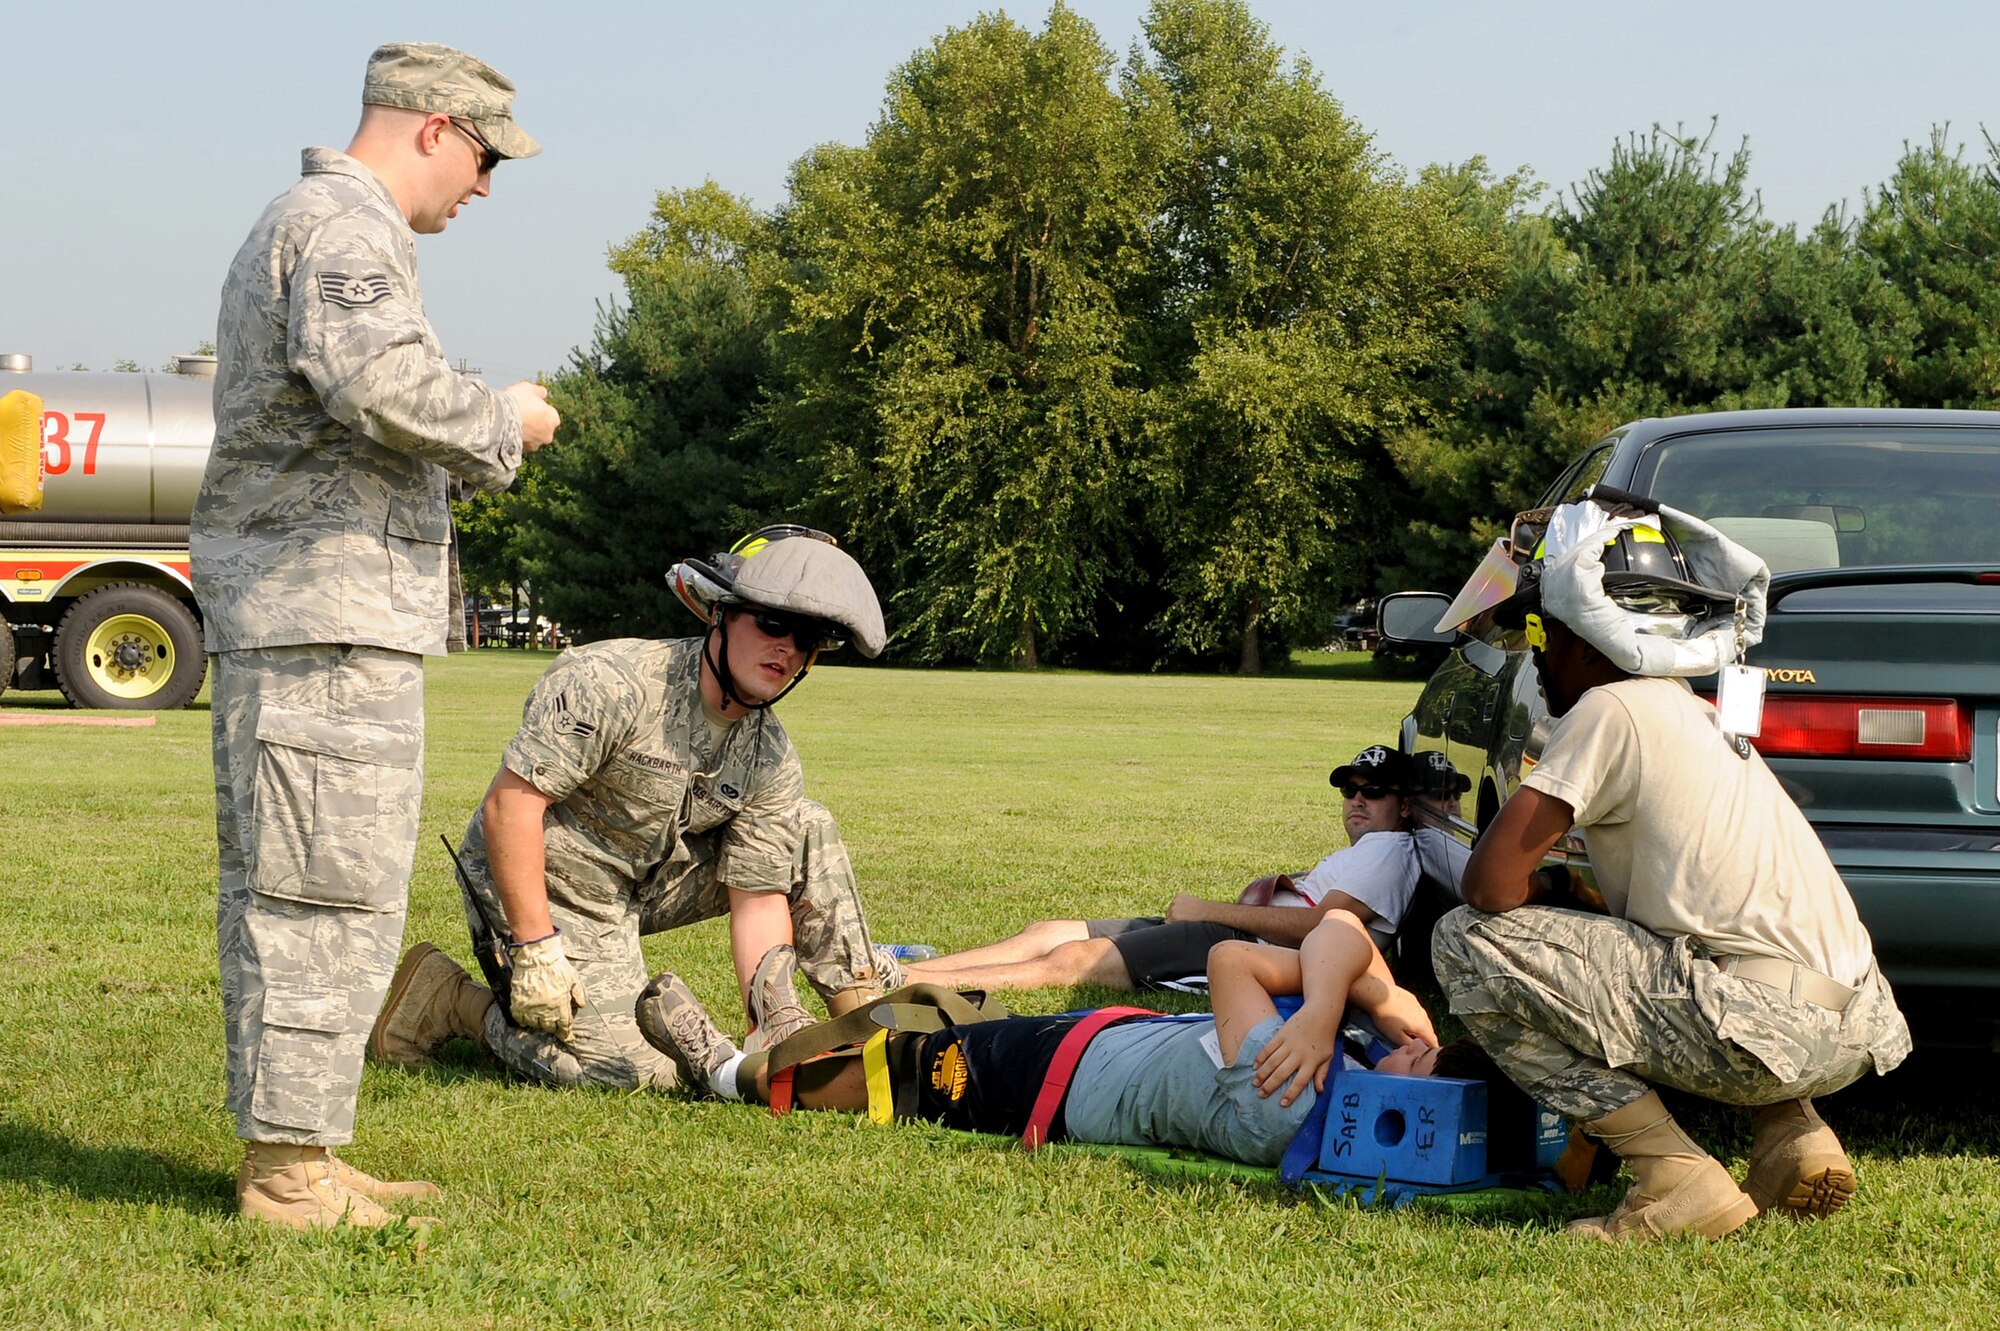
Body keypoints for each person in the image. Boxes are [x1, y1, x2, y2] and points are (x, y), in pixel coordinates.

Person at [193, 42, 560, 1231]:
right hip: (322, 615)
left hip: (317, 614)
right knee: (319, 894)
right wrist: (503, 419)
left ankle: (299, 1146)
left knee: (311, 889)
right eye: (487, 158)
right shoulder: (345, 229)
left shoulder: (318, 224)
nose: (486, 187)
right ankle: (289, 1174)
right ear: (438, 127)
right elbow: (379, 384)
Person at [1429, 492, 1911, 1243]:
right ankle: (1793, 1135)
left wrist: (1542, 886)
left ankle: (1672, 1177)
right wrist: (1568, 891)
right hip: (1848, 1024)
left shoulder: (1609, 710)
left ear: (1589, 640)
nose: (1536, 653)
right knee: (1665, 955)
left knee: (1465, 940)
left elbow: (1487, 887)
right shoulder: (1689, 709)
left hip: (1766, 1025)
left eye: (1539, 629)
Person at [370, 526, 909, 1095]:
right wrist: (534, 947)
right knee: (633, 1074)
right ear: (719, 614)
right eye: (772, 622)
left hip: (644, 882)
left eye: (808, 638)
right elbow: (512, 806)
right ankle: (452, 1001)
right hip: (545, 883)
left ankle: (863, 1028)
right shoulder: (614, 683)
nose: (788, 648)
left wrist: (771, 1025)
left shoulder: (770, 756)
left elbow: (758, 897)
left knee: (806, 824)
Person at [636, 909, 1540, 1171]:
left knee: (906, 1072)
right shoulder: (1350, 1092)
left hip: (1054, 1086)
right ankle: (788, 1028)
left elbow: (1234, 958)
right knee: (936, 1008)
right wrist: (1367, 1003)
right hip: (1102, 1043)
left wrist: (1326, 1009)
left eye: (1414, 1061)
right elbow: (1345, 933)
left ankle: (728, 1069)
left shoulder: (1293, 1092)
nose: (1399, 1050)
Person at [903, 747, 1436, 994]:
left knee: (1074, 961)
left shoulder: (1390, 850)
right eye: (1350, 790)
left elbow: (1325, 928)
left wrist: (1206, 910)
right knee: (1047, 933)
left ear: (1405, 805)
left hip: (1253, 950)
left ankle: (909, 985)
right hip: (1238, 933)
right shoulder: (1371, 850)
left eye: (1374, 792)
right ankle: (901, 973)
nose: (1357, 800)